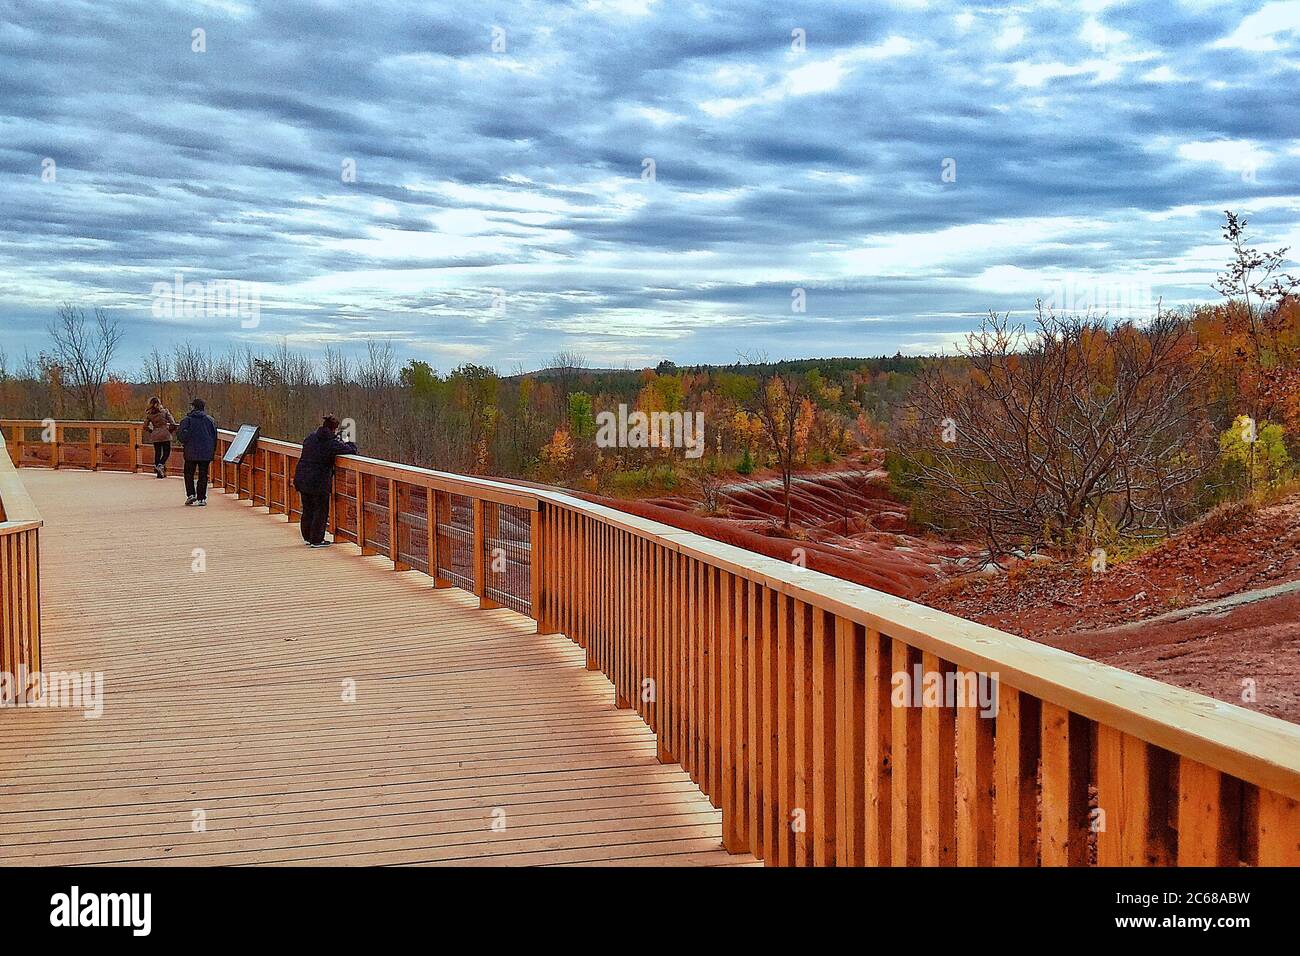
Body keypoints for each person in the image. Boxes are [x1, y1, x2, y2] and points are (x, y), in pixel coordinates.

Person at [294, 415, 358, 547]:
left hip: (302, 477)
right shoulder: (331, 443)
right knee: (320, 510)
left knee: (307, 509)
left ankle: (307, 536)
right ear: (334, 429)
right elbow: (352, 451)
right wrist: (348, 440)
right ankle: (317, 540)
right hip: (318, 481)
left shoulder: (310, 438)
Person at [175, 398, 218, 507]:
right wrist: (212, 450)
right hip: (206, 452)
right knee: (203, 475)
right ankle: (201, 498)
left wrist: (186, 439)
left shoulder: (187, 420)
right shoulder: (210, 420)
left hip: (190, 451)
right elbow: (214, 437)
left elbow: (180, 436)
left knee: (189, 473)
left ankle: (191, 494)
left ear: (193, 407)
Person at [142, 397, 176, 478]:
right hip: (165, 434)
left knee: (157, 453)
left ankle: (159, 472)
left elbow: (145, 426)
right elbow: (173, 423)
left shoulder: (150, 414)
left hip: (155, 434)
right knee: (166, 452)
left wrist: (151, 431)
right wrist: (170, 431)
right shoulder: (165, 412)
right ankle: (160, 465)